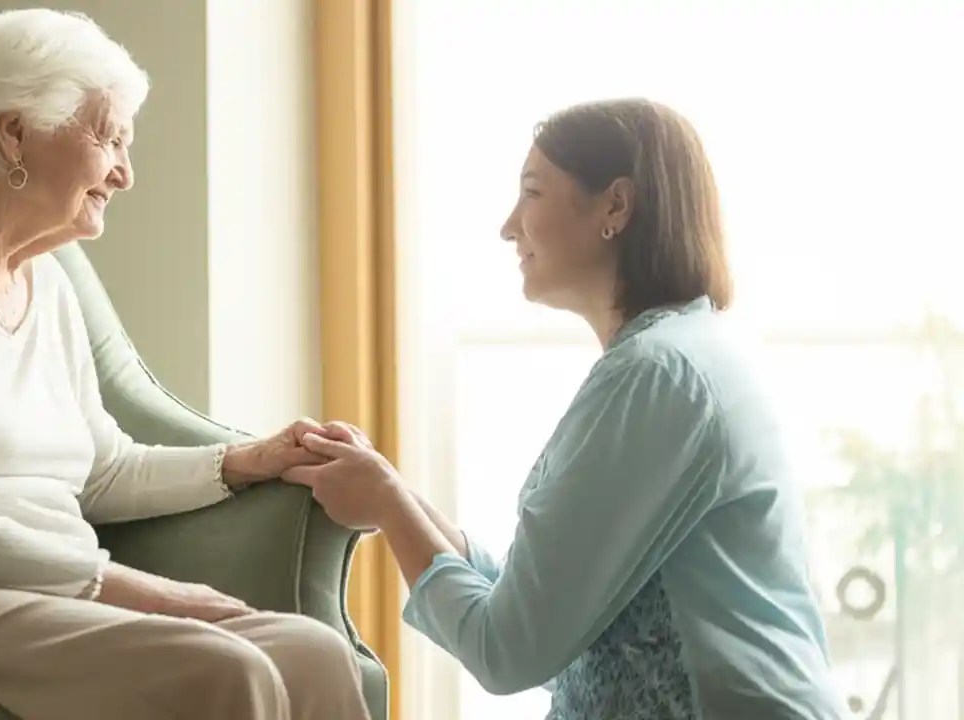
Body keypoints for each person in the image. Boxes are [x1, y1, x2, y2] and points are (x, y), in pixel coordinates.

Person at [0, 9, 370, 720]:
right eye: (109, 137)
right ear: (13, 131)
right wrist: (140, 591)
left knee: (313, 652)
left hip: (27, 594)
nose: (125, 172)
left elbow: (101, 469)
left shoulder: (46, 280)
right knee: (219, 670)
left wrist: (245, 459)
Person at [286, 99, 845, 719]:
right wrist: (397, 495)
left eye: (532, 193)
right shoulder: (682, 356)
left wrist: (389, 507)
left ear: (615, 206)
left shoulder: (655, 378)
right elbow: (547, 611)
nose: (508, 226)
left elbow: (507, 650)